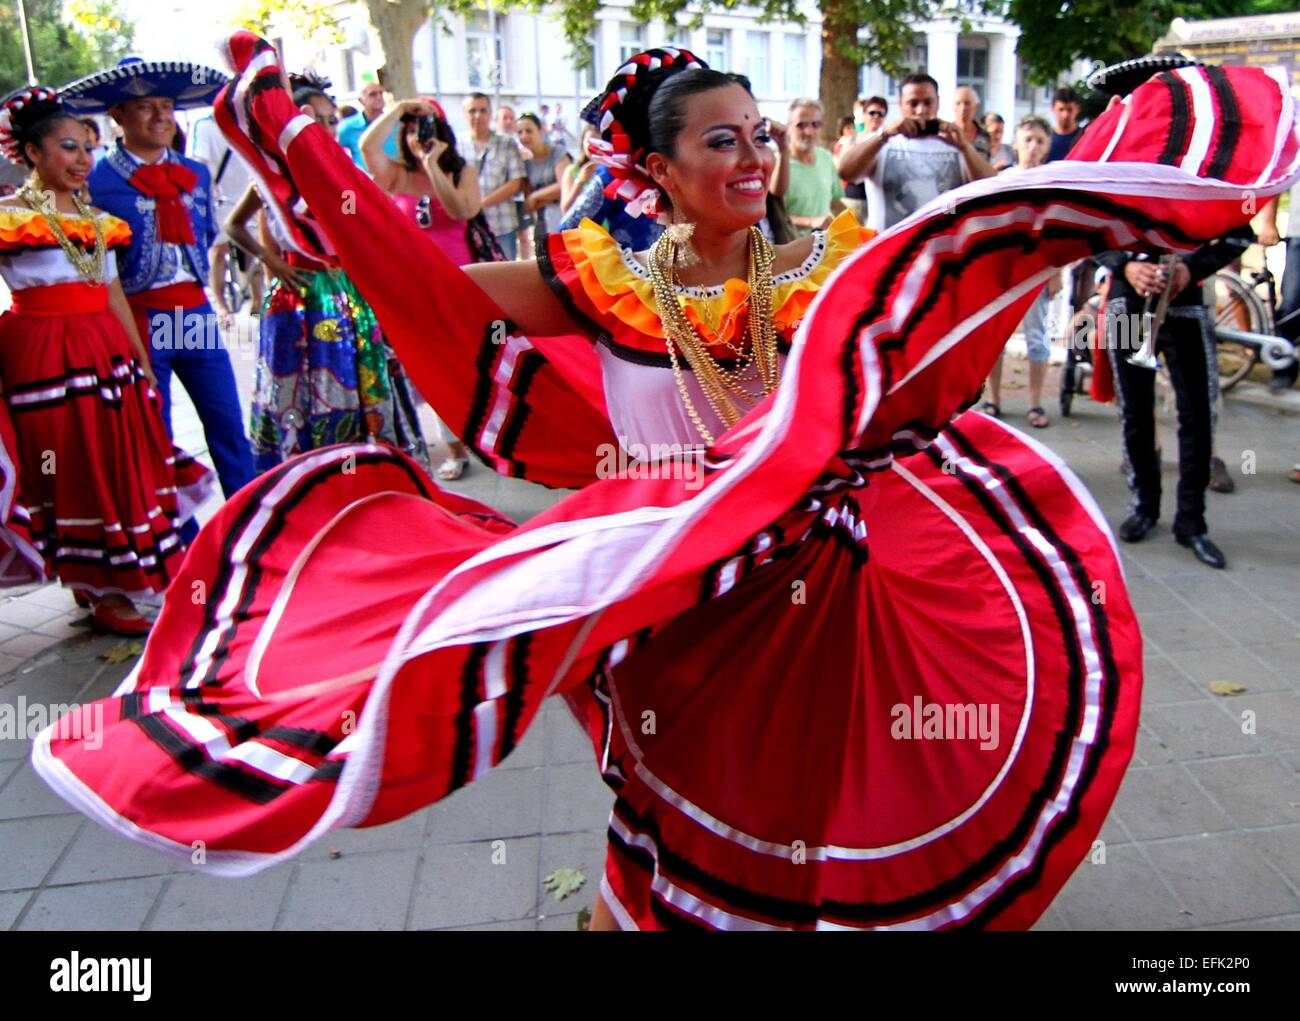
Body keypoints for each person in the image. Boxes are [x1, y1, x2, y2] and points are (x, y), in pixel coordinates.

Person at [46, 33, 1299, 934]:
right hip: (673, 592)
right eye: (721, 140)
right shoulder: (603, 279)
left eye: (762, 135)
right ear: (656, 168)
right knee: (666, 793)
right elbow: (426, 296)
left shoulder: (836, 271)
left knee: (809, 780)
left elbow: (938, 314)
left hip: (820, 580)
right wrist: (316, 171)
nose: (753, 156)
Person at [0, 86, 213, 635]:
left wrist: (141, 363)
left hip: (107, 350)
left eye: (87, 149)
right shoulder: (9, 216)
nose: (81, 160)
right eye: (68, 148)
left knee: (120, 460)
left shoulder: (98, 219)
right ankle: (93, 587)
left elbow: (114, 294)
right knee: (66, 466)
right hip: (42, 354)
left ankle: (112, 579)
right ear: (31, 154)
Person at [62, 57, 257, 509]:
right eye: (145, 107)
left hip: (193, 311)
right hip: (138, 316)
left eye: (166, 105)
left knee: (226, 422)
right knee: (154, 429)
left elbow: (208, 234)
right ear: (118, 116)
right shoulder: (96, 181)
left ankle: (250, 521)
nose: (161, 116)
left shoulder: (195, 173)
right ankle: (170, 533)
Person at [223, 80, 430, 476]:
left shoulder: (341, 174)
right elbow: (234, 226)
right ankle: (306, 476)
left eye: (329, 120)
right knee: (297, 393)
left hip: (347, 293)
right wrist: (274, 262)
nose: (323, 126)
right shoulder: (273, 178)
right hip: (296, 300)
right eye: (311, 118)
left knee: (356, 387)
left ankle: (363, 472)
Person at [362, 94, 480, 479]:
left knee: (463, 368)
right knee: (422, 369)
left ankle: (477, 436)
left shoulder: (463, 170)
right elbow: (366, 147)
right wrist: (399, 109)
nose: (416, 135)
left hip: (456, 284)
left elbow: (463, 209)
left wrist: (433, 167)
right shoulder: (395, 174)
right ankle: (452, 447)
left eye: (424, 126)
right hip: (410, 287)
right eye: (410, 128)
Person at [837, 72, 996, 232]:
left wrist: (965, 148)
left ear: (938, 103)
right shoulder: (882, 142)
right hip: (891, 251)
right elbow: (846, 172)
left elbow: (992, 190)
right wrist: (884, 135)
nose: (921, 110)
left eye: (928, 103)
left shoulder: (956, 145)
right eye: (913, 103)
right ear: (900, 104)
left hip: (940, 249)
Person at [983, 116, 1054, 427]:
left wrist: (1058, 272)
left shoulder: (1055, 182)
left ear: (1048, 145)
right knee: (994, 336)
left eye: (1039, 140)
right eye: (1027, 139)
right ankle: (992, 398)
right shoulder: (1002, 180)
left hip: (1038, 270)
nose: (1033, 147)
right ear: (1016, 143)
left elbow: (1059, 234)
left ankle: (1036, 403)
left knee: (1037, 339)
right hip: (1002, 270)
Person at [188, 110, 264, 328]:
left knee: (253, 249)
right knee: (218, 251)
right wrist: (207, 190)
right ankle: (221, 306)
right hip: (219, 199)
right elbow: (199, 162)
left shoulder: (247, 120)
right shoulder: (204, 125)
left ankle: (257, 300)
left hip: (247, 196)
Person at [459, 93, 527, 260]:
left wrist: (481, 204)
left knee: (504, 278)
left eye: (483, 110)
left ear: (490, 113)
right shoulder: (456, 144)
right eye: (472, 110)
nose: (478, 116)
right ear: (464, 114)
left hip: (501, 224)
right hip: (467, 226)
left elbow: (516, 182)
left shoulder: (506, 143)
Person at [783, 98, 845, 234]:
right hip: (791, 250)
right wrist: (811, 222)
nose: (809, 132)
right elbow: (775, 217)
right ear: (788, 127)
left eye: (815, 124)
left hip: (824, 249)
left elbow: (835, 203)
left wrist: (856, 228)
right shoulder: (779, 165)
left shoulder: (826, 158)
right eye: (801, 125)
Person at [517, 112, 571, 243]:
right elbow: (529, 205)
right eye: (520, 132)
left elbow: (565, 186)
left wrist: (536, 196)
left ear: (540, 131)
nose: (524, 136)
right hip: (543, 223)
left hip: (566, 218)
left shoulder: (558, 152)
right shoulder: (525, 164)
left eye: (529, 131)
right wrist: (545, 196)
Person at [838, 96, 885, 224]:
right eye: (872, 113)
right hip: (853, 199)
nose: (876, 117)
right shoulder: (852, 140)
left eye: (881, 113)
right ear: (863, 115)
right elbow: (842, 169)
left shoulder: (889, 142)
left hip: (877, 203)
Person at [338, 79, 386, 169]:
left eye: (381, 93)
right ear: (361, 100)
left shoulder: (396, 123)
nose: (379, 97)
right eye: (373, 94)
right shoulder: (347, 127)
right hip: (365, 181)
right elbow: (335, 156)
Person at [952, 86, 992, 161]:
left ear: (975, 107)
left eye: (967, 103)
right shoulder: (945, 134)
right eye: (958, 103)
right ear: (953, 107)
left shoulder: (984, 135)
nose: (963, 108)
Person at [1047, 86, 1083, 163]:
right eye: (1061, 109)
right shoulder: (1044, 139)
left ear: (1077, 109)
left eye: (1070, 110)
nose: (1065, 115)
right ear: (1052, 109)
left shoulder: (1085, 138)